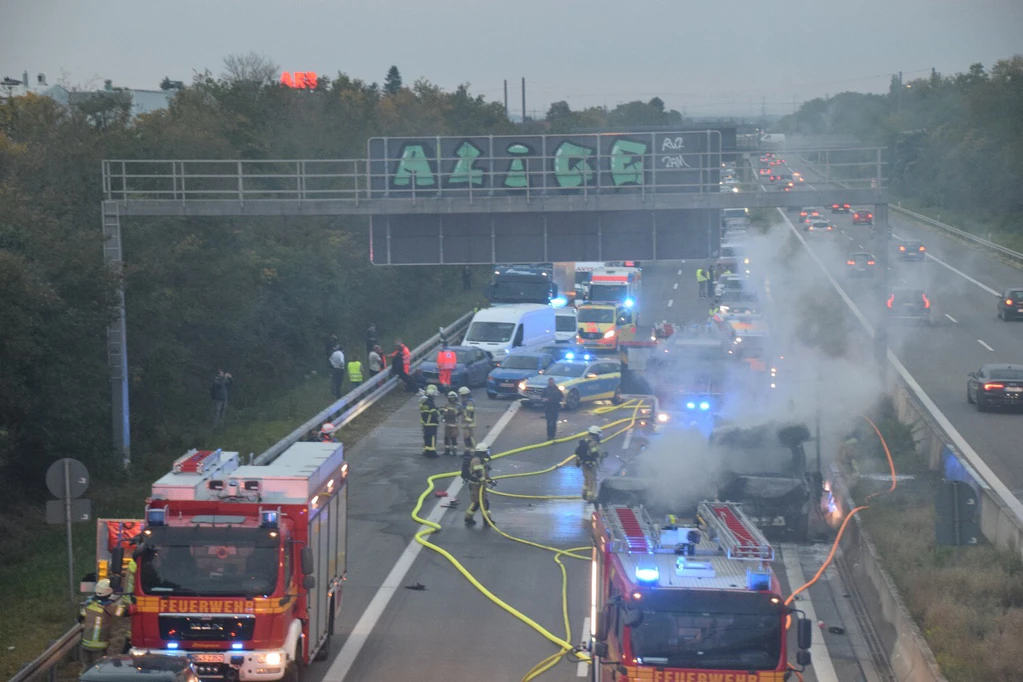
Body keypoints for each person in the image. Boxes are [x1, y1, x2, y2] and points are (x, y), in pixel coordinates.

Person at [78, 579, 125, 667]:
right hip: (99, 646)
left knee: (86, 668)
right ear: (109, 592)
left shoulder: (89, 603)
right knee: (98, 668)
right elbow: (123, 613)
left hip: (85, 644)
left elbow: (80, 618)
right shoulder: (109, 606)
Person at [463, 444, 495, 526]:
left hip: (481, 485)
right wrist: (483, 480)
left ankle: (486, 519)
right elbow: (478, 472)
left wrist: (490, 481)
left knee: (484, 502)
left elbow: (484, 473)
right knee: (477, 503)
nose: (487, 453)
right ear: (482, 452)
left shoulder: (481, 460)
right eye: (486, 452)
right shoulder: (476, 460)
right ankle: (469, 518)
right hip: (476, 485)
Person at [574, 426, 604, 503]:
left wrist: (578, 461)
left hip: (583, 463)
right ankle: (590, 498)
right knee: (592, 480)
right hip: (591, 464)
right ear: (595, 434)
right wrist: (602, 456)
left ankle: (584, 494)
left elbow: (577, 452)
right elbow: (594, 454)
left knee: (586, 479)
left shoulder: (584, 441)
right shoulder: (593, 443)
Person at [419, 385, 440, 457]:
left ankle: (426, 451)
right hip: (431, 423)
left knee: (427, 438)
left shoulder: (424, 402)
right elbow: (434, 413)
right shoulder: (430, 402)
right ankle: (432, 452)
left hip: (426, 423)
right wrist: (440, 412)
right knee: (432, 438)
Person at [441, 391, 461, 456]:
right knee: (446, 437)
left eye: (453, 398)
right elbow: (445, 412)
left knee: (453, 437)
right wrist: (444, 414)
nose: (452, 399)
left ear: (456, 398)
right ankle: (447, 450)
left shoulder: (458, 405)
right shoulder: (447, 405)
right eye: (451, 398)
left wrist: (453, 412)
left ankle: (454, 450)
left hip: (454, 423)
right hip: (447, 423)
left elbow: (458, 412)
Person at [458, 386, 476, 455]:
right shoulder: (465, 402)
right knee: (466, 437)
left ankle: (472, 451)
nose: (461, 398)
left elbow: (470, 414)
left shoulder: (469, 402)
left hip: (468, 423)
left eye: (462, 396)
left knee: (469, 437)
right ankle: (468, 451)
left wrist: (467, 422)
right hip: (466, 422)